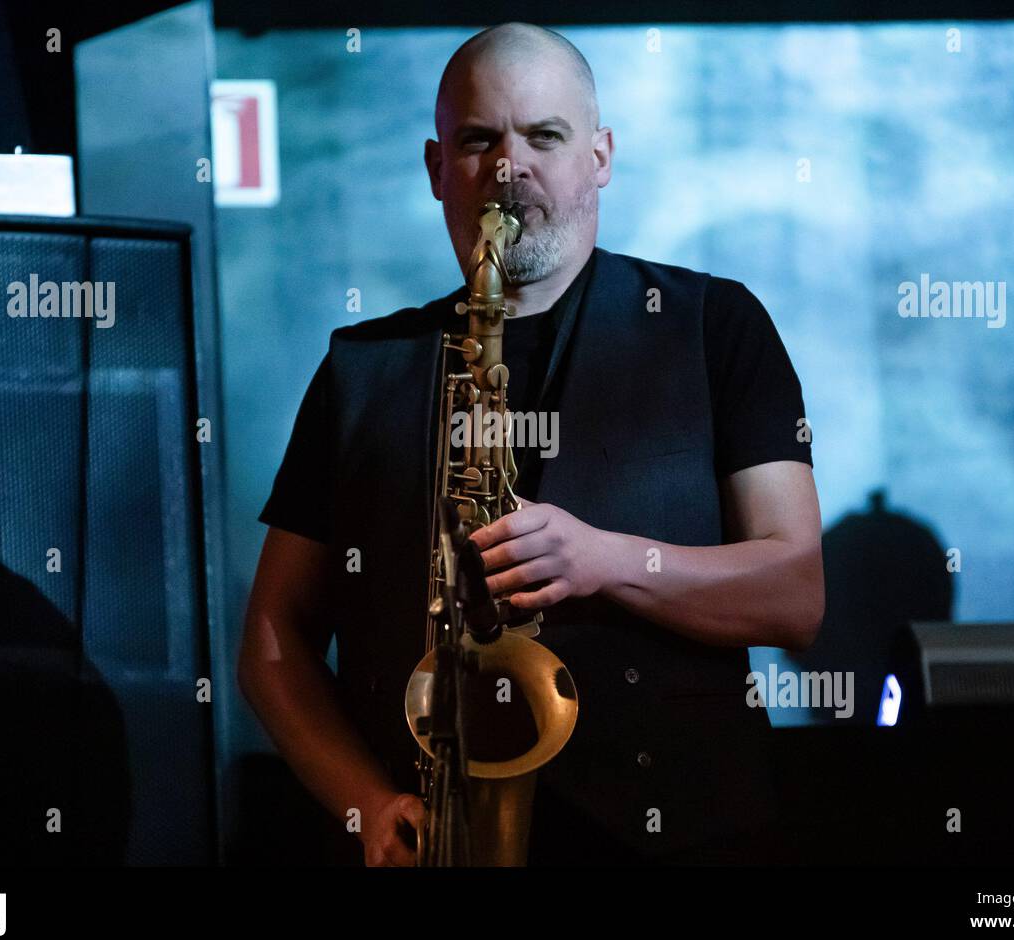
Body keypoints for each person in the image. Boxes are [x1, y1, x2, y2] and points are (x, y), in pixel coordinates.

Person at [239, 22, 824, 866]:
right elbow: (273, 632)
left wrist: (608, 560)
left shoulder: (713, 325)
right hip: (441, 834)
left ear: (601, 156)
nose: (510, 168)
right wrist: (364, 804)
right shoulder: (360, 370)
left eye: (545, 136)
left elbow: (795, 593)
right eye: (479, 140)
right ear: (438, 168)